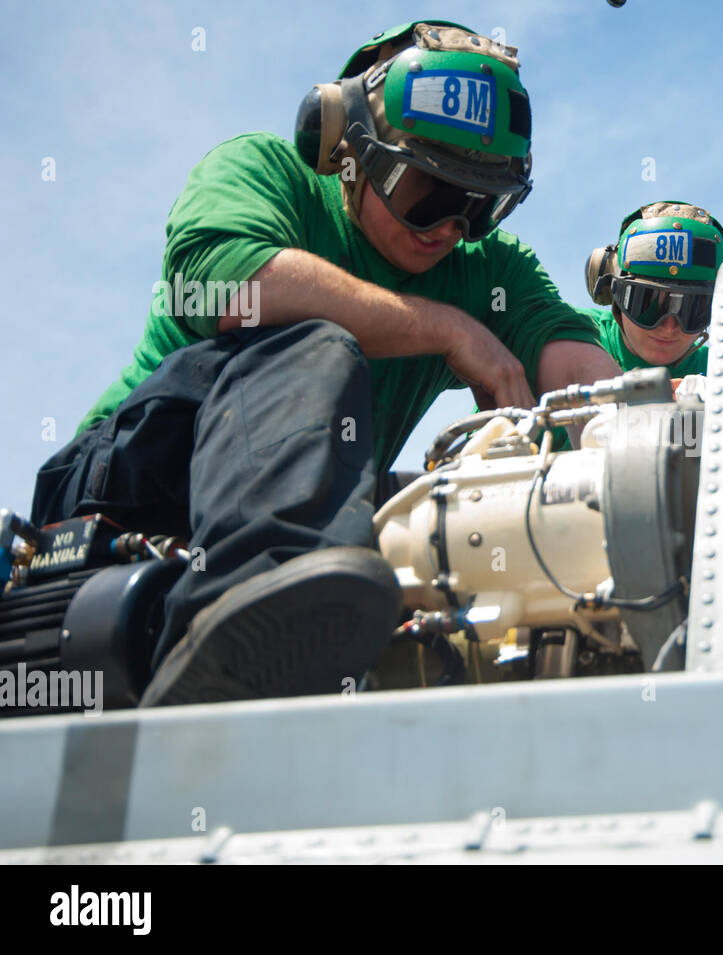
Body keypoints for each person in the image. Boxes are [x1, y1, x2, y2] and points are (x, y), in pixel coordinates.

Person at [27, 20, 621, 706]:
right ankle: (244, 631)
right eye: (428, 192)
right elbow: (219, 280)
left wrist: (638, 434)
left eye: (481, 205)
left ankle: (287, 626)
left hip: (304, 544)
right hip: (127, 492)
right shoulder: (261, 170)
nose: (449, 228)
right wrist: (445, 326)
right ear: (348, 144)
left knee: (434, 509)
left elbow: (571, 361)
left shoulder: (485, 269)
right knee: (319, 340)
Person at [583, 201, 723, 376]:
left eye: (692, 310)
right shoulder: (569, 336)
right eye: (647, 304)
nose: (669, 328)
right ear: (614, 292)